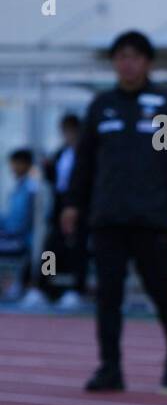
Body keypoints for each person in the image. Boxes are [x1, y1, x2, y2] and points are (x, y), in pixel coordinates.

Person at [63, 30, 167, 392]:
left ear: (148, 62)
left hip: (153, 216)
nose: (128, 63)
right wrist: (73, 203)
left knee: (160, 289)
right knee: (108, 294)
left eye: (135, 57)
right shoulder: (101, 106)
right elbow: (85, 162)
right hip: (107, 215)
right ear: (114, 63)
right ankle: (110, 367)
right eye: (121, 57)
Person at [40, 115, 90, 309]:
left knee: (78, 250)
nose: (67, 135)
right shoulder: (61, 153)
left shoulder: (86, 154)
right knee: (51, 249)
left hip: (80, 207)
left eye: (70, 130)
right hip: (60, 205)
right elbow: (53, 178)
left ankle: (76, 289)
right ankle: (46, 287)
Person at [0, 149, 43, 302]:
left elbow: (21, 222)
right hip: (16, 235)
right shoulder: (20, 187)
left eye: (15, 164)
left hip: (25, 240)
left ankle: (39, 287)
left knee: (50, 258)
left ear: (25, 164)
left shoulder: (32, 188)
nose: (12, 168)